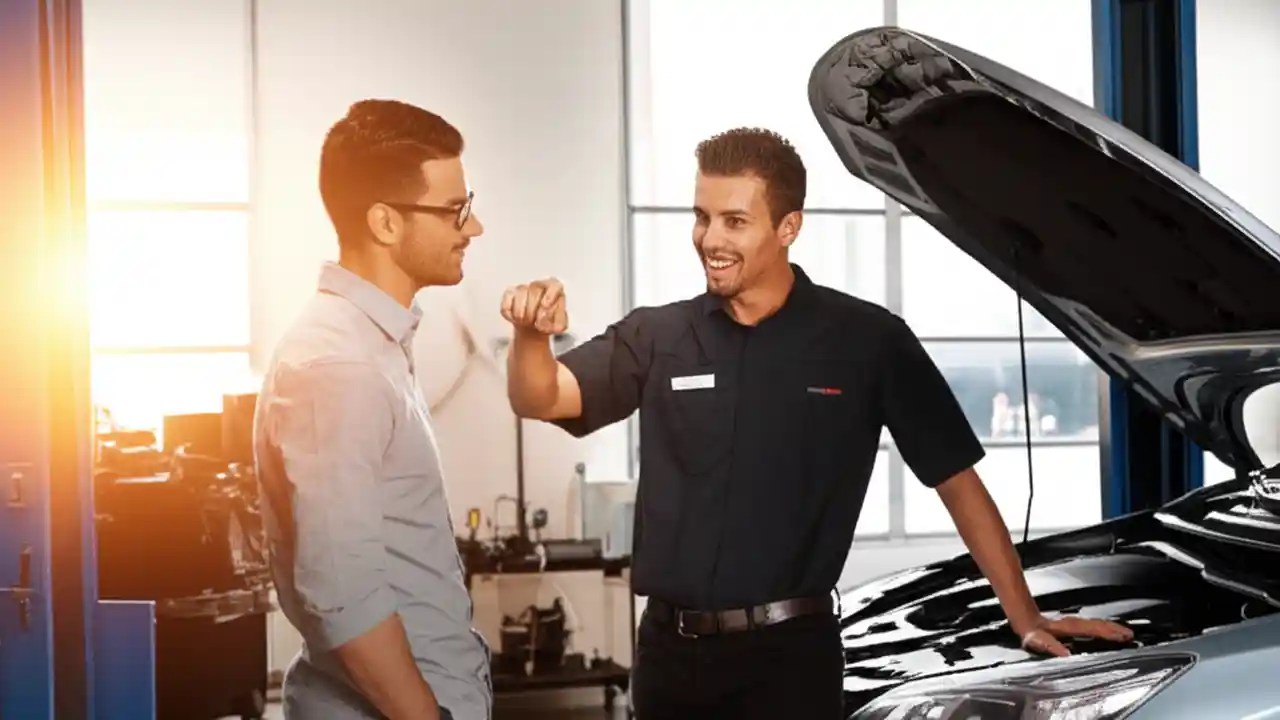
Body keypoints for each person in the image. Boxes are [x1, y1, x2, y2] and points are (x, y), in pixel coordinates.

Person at [500, 127, 1133, 719]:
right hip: (670, 657)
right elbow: (542, 397)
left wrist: (1024, 616)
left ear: (788, 227)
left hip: (790, 663)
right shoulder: (659, 335)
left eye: (735, 221)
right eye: (701, 216)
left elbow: (958, 482)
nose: (710, 238)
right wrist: (531, 336)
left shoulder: (867, 341)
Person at [253, 99, 490, 720]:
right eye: (455, 210)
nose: (473, 227)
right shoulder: (339, 365)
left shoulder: (369, 345)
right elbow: (343, 591)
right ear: (386, 223)